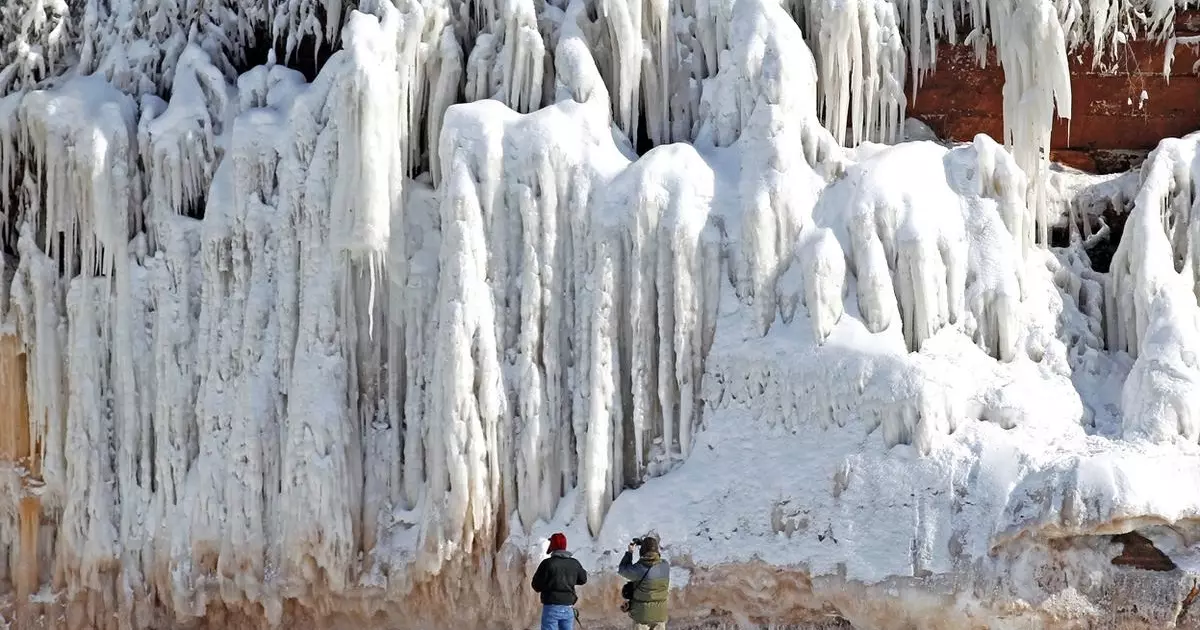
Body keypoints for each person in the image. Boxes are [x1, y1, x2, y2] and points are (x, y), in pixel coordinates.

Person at [531, 532, 588, 630]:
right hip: (568, 607)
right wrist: (571, 579)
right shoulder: (574, 563)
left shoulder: (547, 564)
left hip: (551, 607)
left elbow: (536, 585)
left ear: (553, 546)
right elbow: (583, 580)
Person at [619, 536, 670, 630]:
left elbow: (622, 569)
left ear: (642, 551)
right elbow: (656, 560)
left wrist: (629, 552)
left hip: (642, 617)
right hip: (660, 615)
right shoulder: (665, 566)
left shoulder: (639, 569)